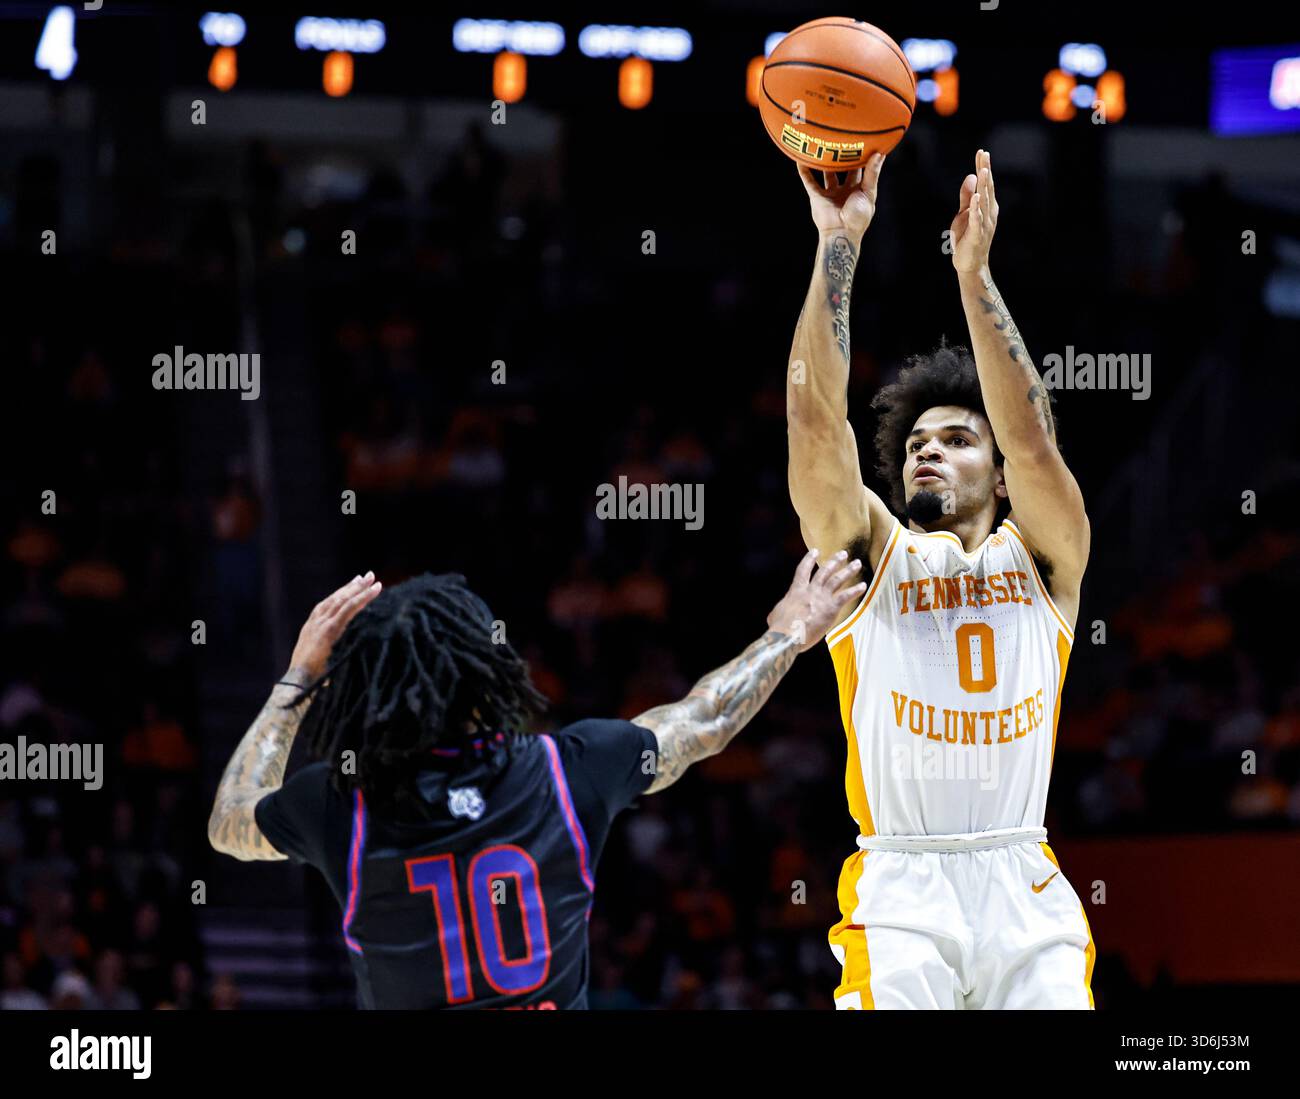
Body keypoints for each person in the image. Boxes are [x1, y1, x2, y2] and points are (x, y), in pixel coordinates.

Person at [208, 552, 864, 1009]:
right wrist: (790, 632)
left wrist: (298, 679)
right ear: (483, 670)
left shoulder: (339, 805)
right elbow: (705, 719)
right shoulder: (567, 767)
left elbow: (231, 820)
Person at [786, 148, 1095, 1009]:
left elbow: (1032, 439)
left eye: (958, 439)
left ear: (999, 480)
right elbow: (814, 421)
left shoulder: (1045, 558)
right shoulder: (875, 553)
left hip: (1025, 890)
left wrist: (974, 274)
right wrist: (837, 242)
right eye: (919, 439)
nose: (929, 446)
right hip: (902, 891)